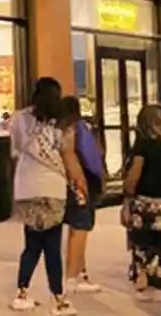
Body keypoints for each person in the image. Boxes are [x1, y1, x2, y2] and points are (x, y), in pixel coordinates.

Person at [8, 77, 84, 315]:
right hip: (53, 188)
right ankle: (58, 298)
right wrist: (79, 182)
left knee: (31, 244)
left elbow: (16, 149)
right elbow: (68, 156)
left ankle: (22, 293)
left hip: (26, 187)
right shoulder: (63, 122)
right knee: (52, 245)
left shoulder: (20, 118)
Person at [122, 103, 161, 303]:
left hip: (144, 203)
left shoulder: (141, 147)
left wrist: (128, 195)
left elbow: (134, 175)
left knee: (141, 242)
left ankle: (143, 277)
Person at [60, 96, 104, 294]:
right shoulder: (77, 129)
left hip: (64, 183)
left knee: (76, 227)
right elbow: (88, 157)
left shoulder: (59, 129)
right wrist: (89, 180)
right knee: (80, 227)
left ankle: (81, 272)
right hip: (80, 182)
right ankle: (72, 276)